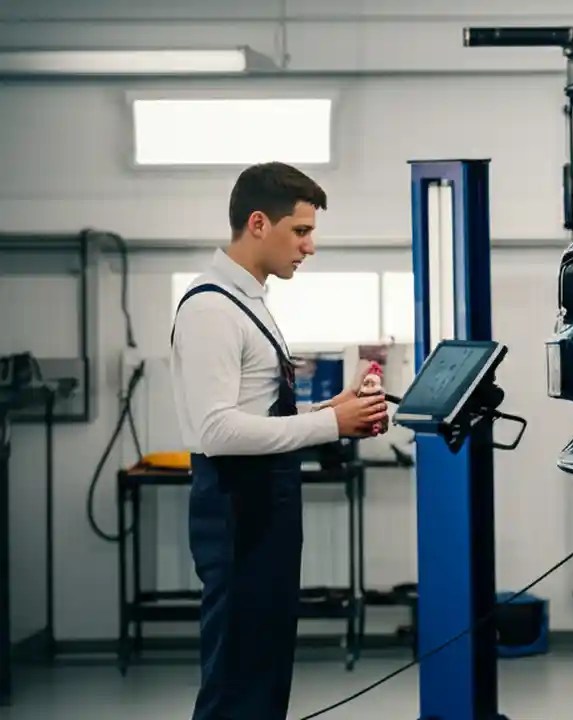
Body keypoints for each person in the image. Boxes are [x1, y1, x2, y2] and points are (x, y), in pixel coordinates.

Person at [169, 161, 388, 720]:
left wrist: (328, 410)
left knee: (263, 670)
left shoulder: (249, 301)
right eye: (301, 230)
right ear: (259, 224)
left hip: (263, 505)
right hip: (237, 508)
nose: (309, 247)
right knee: (239, 676)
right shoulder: (211, 308)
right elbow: (215, 429)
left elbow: (255, 410)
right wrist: (329, 427)